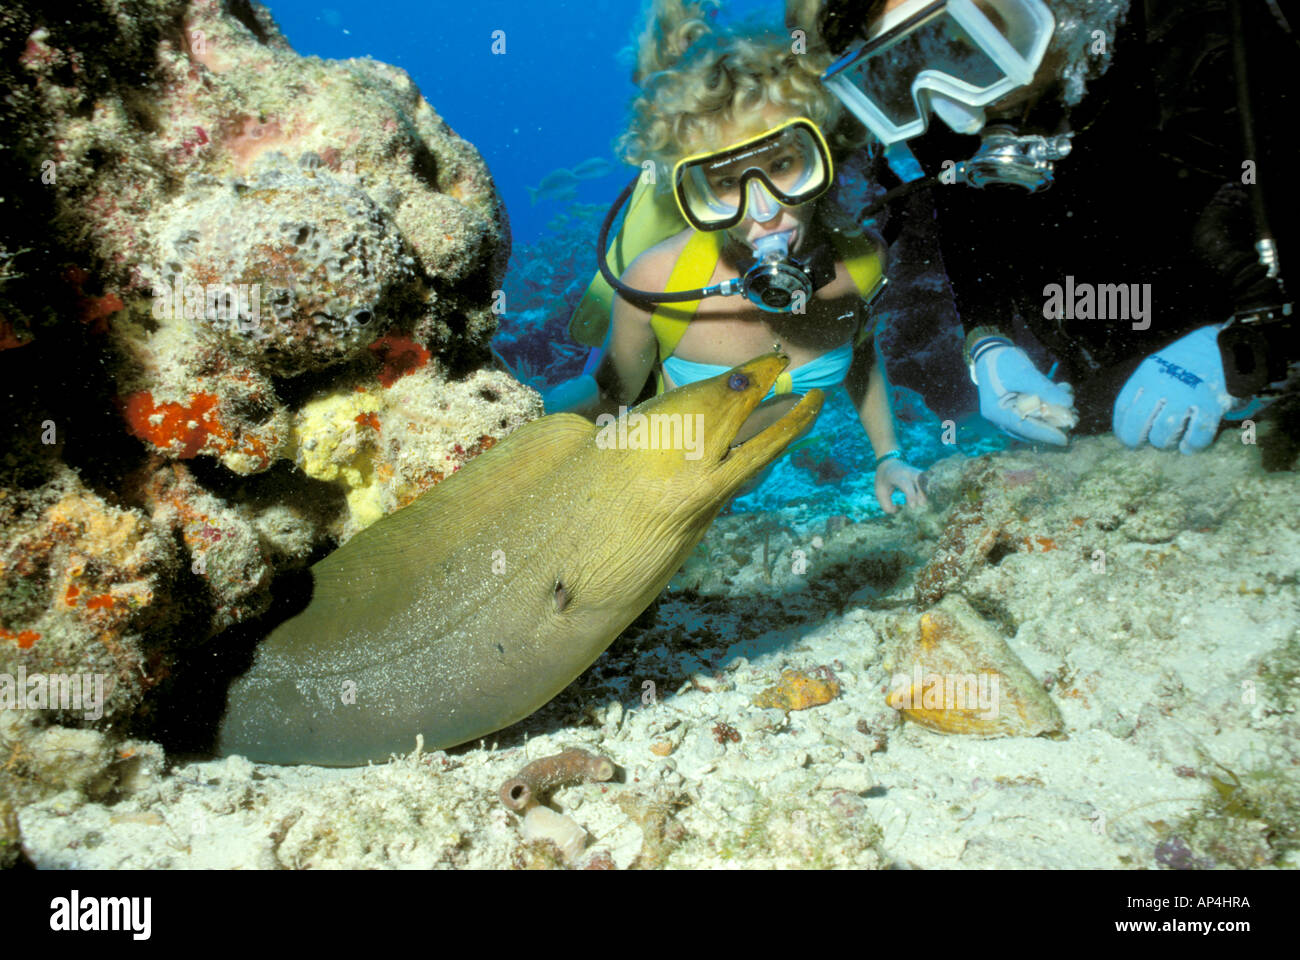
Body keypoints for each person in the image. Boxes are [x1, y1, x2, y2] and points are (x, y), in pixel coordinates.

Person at [808, 0, 1297, 453]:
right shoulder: (948, 111)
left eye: (960, 39)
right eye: (903, 65)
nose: (954, 106)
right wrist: (987, 341)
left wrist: (1253, 341)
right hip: (1107, 364)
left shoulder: (1201, 41)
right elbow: (963, 214)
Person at [545, 0, 927, 513]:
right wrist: (503, 430)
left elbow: (859, 351)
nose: (764, 211)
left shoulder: (861, 263)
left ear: (824, 155)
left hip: (734, 491)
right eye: (726, 181)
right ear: (695, 187)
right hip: (643, 495)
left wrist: (889, 455)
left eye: (784, 163)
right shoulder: (658, 282)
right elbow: (605, 401)